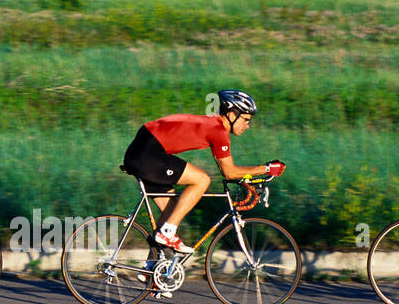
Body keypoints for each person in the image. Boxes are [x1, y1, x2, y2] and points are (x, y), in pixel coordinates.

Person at [122, 90, 284, 255]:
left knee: (173, 211)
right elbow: (229, 172)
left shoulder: (212, 124)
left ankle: (152, 268)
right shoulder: (218, 130)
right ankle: (168, 233)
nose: (247, 126)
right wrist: (267, 168)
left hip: (142, 150)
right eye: (246, 120)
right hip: (147, 154)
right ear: (231, 114)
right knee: (202, 180)